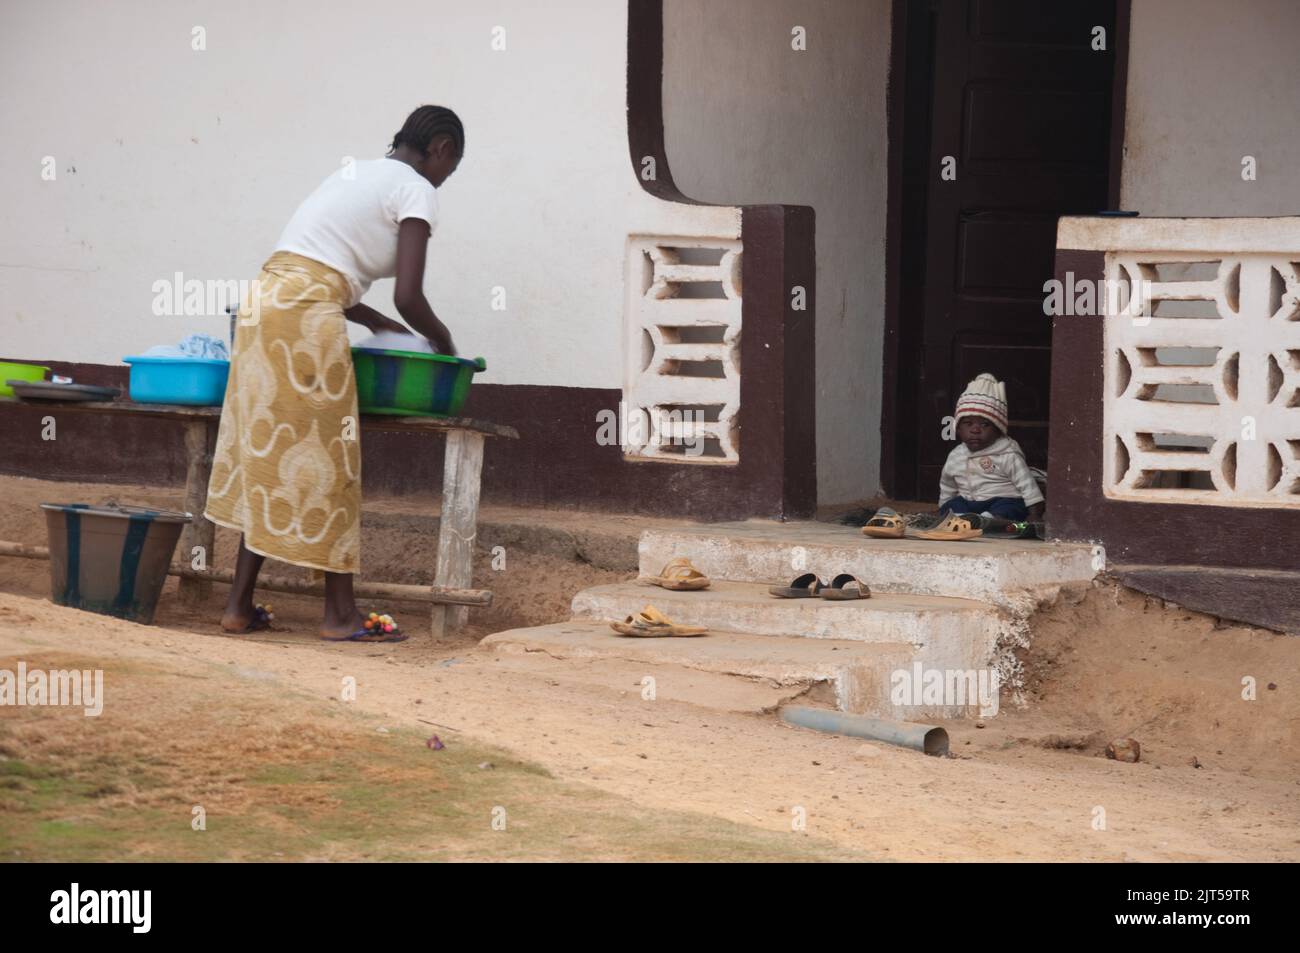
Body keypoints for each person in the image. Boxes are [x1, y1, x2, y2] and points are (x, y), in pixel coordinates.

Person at [204, 105, 463, 642]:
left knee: (269, 453)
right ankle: (341, 616)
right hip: (302, 318)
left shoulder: (353, 173)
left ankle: (237, 606)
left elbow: (317, 265)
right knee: (329, 460)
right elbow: (409, 295)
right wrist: (444, 345)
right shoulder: (416, 188)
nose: (446, 178)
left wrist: (374, 321)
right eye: (451, 165)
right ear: (440, 149)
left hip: (262, 307)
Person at [938, 373, 1044, 523]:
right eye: (968, 424)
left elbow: (1028, 486)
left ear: (998, 429)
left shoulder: (1007, 453)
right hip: (969, 503)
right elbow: (947, 486)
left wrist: (1035, 514)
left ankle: (989, 520)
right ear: (958, 429)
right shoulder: (956, 455)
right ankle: (960, 518)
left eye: (984, 424)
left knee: (1012, 508)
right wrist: (944, 507)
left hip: (1002, 499)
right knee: (952, 505)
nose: (975, 430)